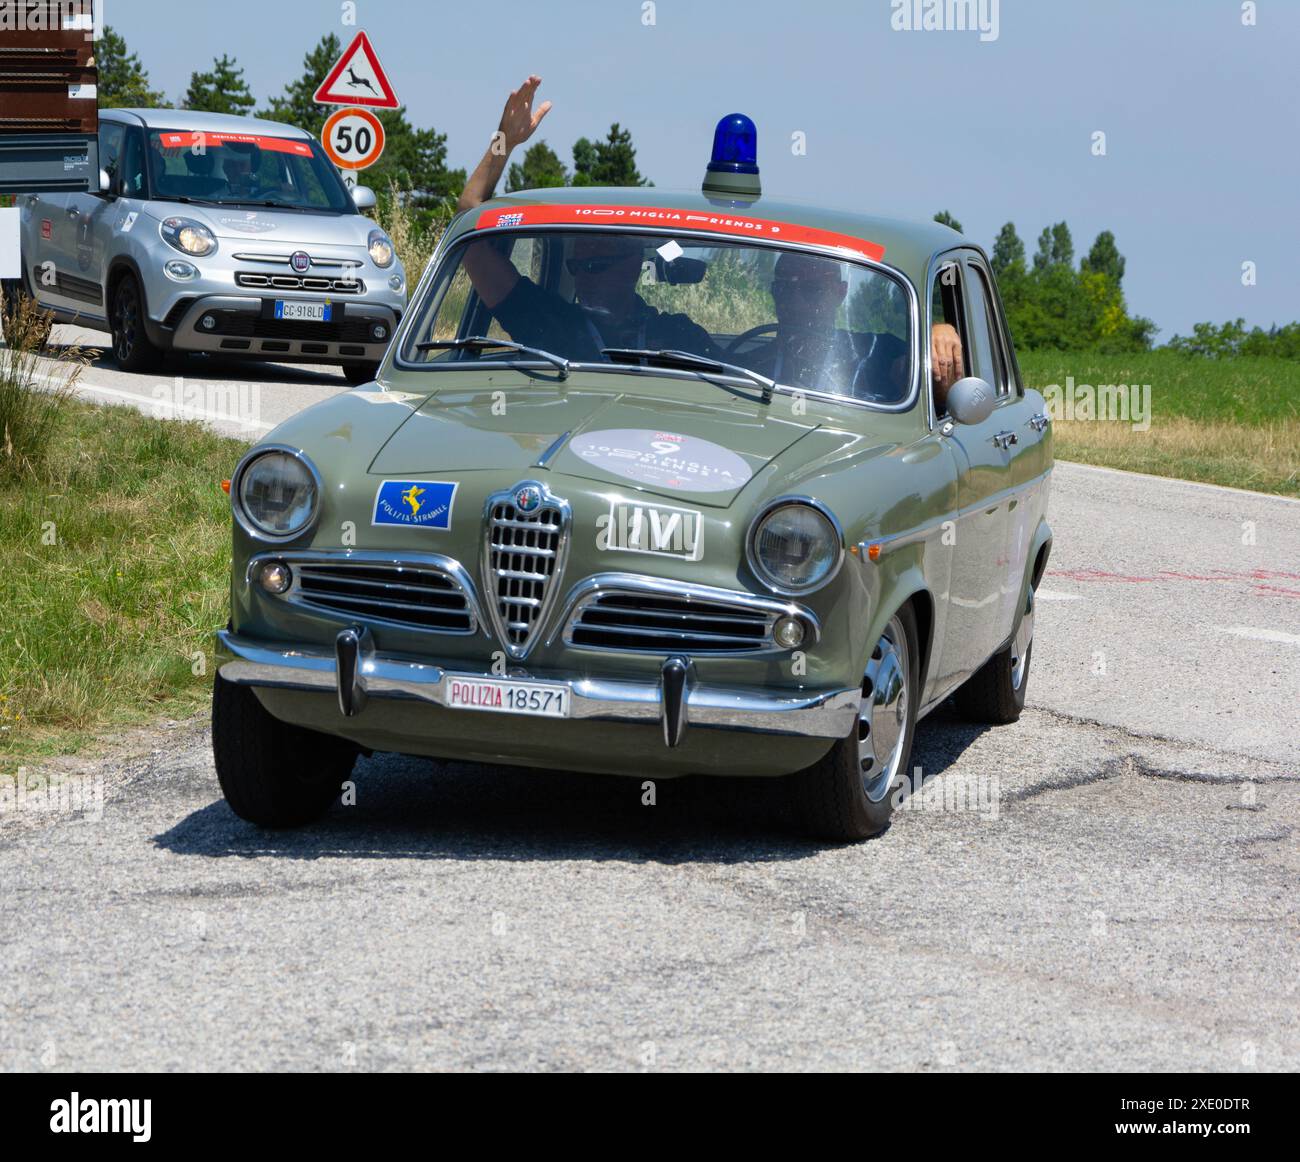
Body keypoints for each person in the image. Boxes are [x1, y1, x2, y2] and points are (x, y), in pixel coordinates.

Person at [456, 77, 720, 362]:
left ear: (631, 266)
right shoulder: (551, 325)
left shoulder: (677, 335)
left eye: (595, 266)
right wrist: (505, 141)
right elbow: (469, 222)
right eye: (576, 266)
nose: (583, 279)